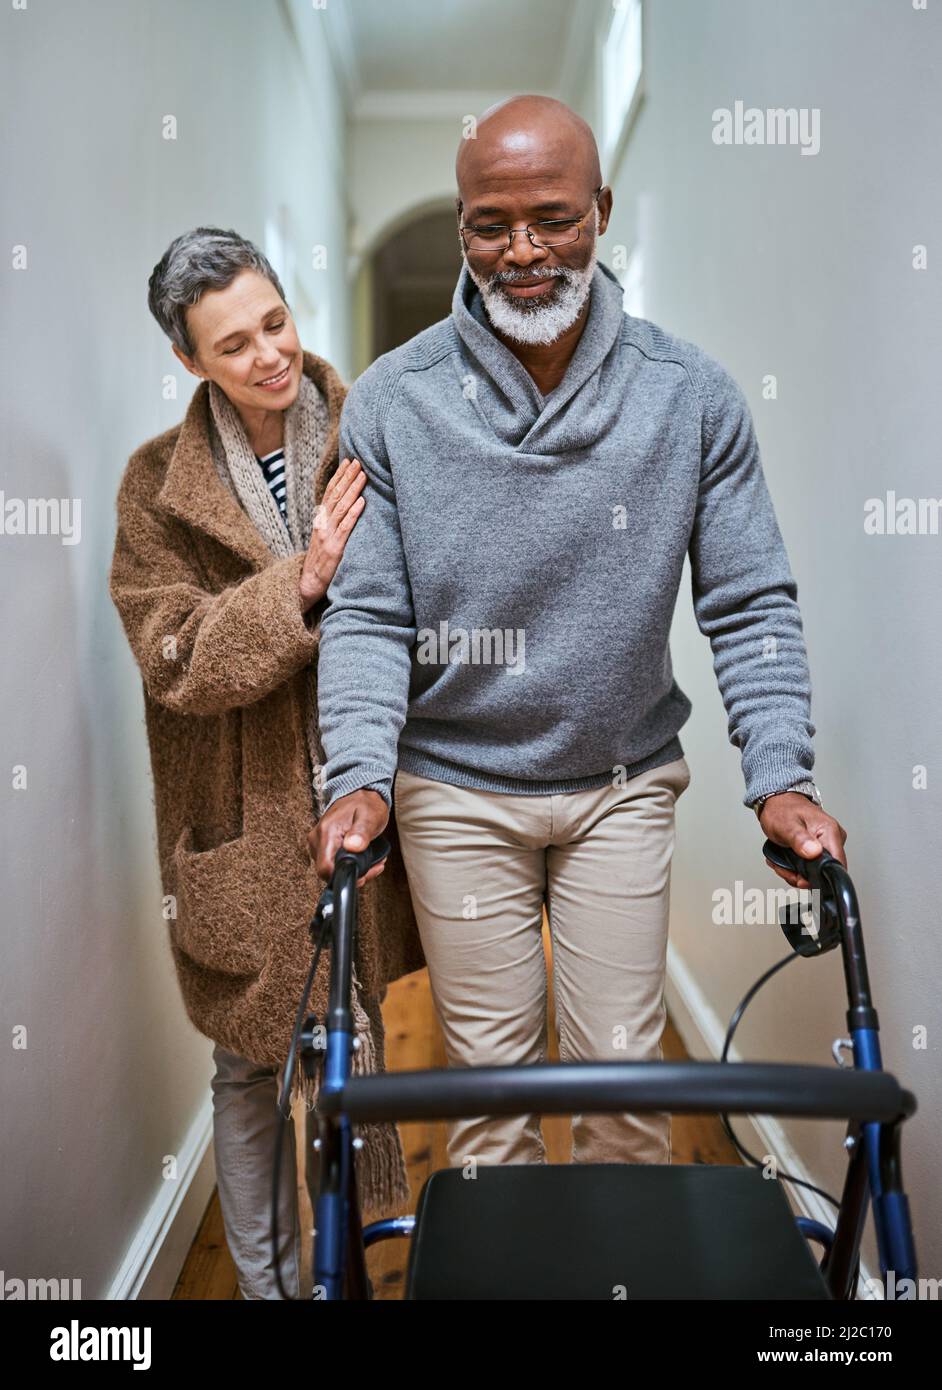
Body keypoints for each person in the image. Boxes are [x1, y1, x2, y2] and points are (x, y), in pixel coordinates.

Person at [309, 95, 848, 1170]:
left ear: (601, 210)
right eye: (489, 224)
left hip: (620, 782)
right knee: (491, 1106)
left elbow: (748, 599)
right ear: (461, 225)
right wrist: (359, 774)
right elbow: (368, 611)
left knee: (624, 1096)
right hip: (456, 785)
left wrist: (780, 775)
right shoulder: (391, 400)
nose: (521, 252)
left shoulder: (689, 397)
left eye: (552, 219)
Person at [108, 227, 424, 1299]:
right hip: (241, 827)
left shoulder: (378, 432)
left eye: (276, 323)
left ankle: (350, 1271)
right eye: (233, 345)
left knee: (351, 1043)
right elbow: (174, 659)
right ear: (190, 362)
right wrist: (303, 580)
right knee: (249, 1071)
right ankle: (270, 1289)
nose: (269, 357)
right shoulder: (154, 489)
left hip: (360, 793)